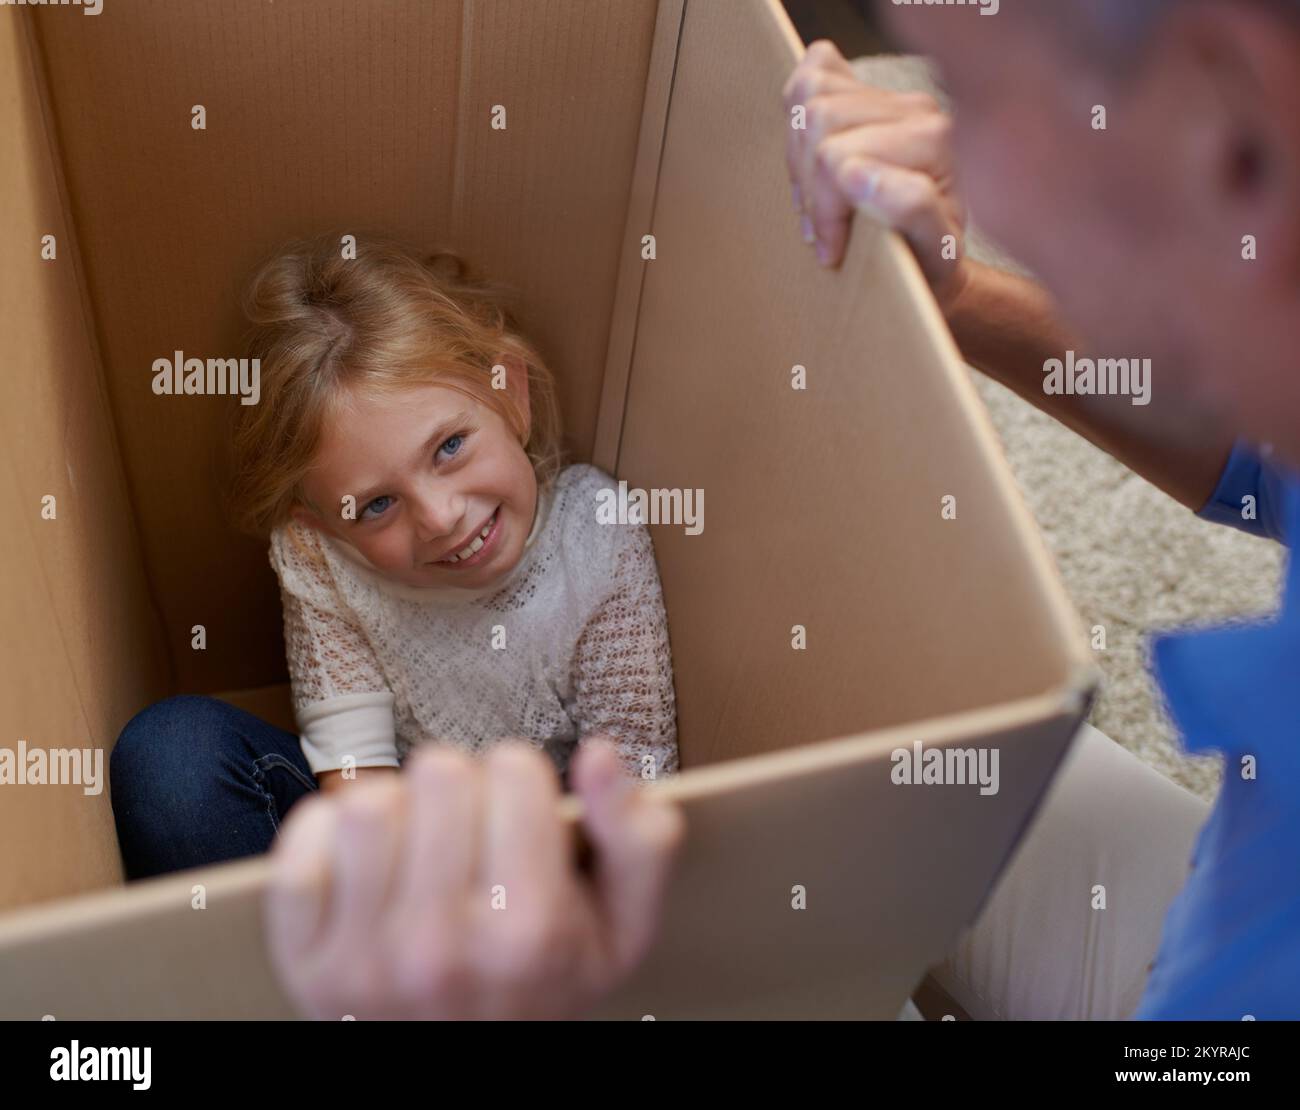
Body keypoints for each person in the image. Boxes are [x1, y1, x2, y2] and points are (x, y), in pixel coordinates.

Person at [266, 0, 1300, 1019]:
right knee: (888, 769)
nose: (979, 180)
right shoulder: (323, 565)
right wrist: (946, 296)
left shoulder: (592, 544)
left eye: (980, 99)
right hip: (1218, 889)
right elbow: (1262, 465)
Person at [109, 235, 679, 892]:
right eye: (378, 504)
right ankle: (279, 987)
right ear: (320, 524)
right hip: (398, 840)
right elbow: (358, 782)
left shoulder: (595, 536)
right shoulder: (320, 554)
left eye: (449, 447)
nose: (440, 517)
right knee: (172, 753)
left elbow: (632, 786)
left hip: (551, 850)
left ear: (510, 393)